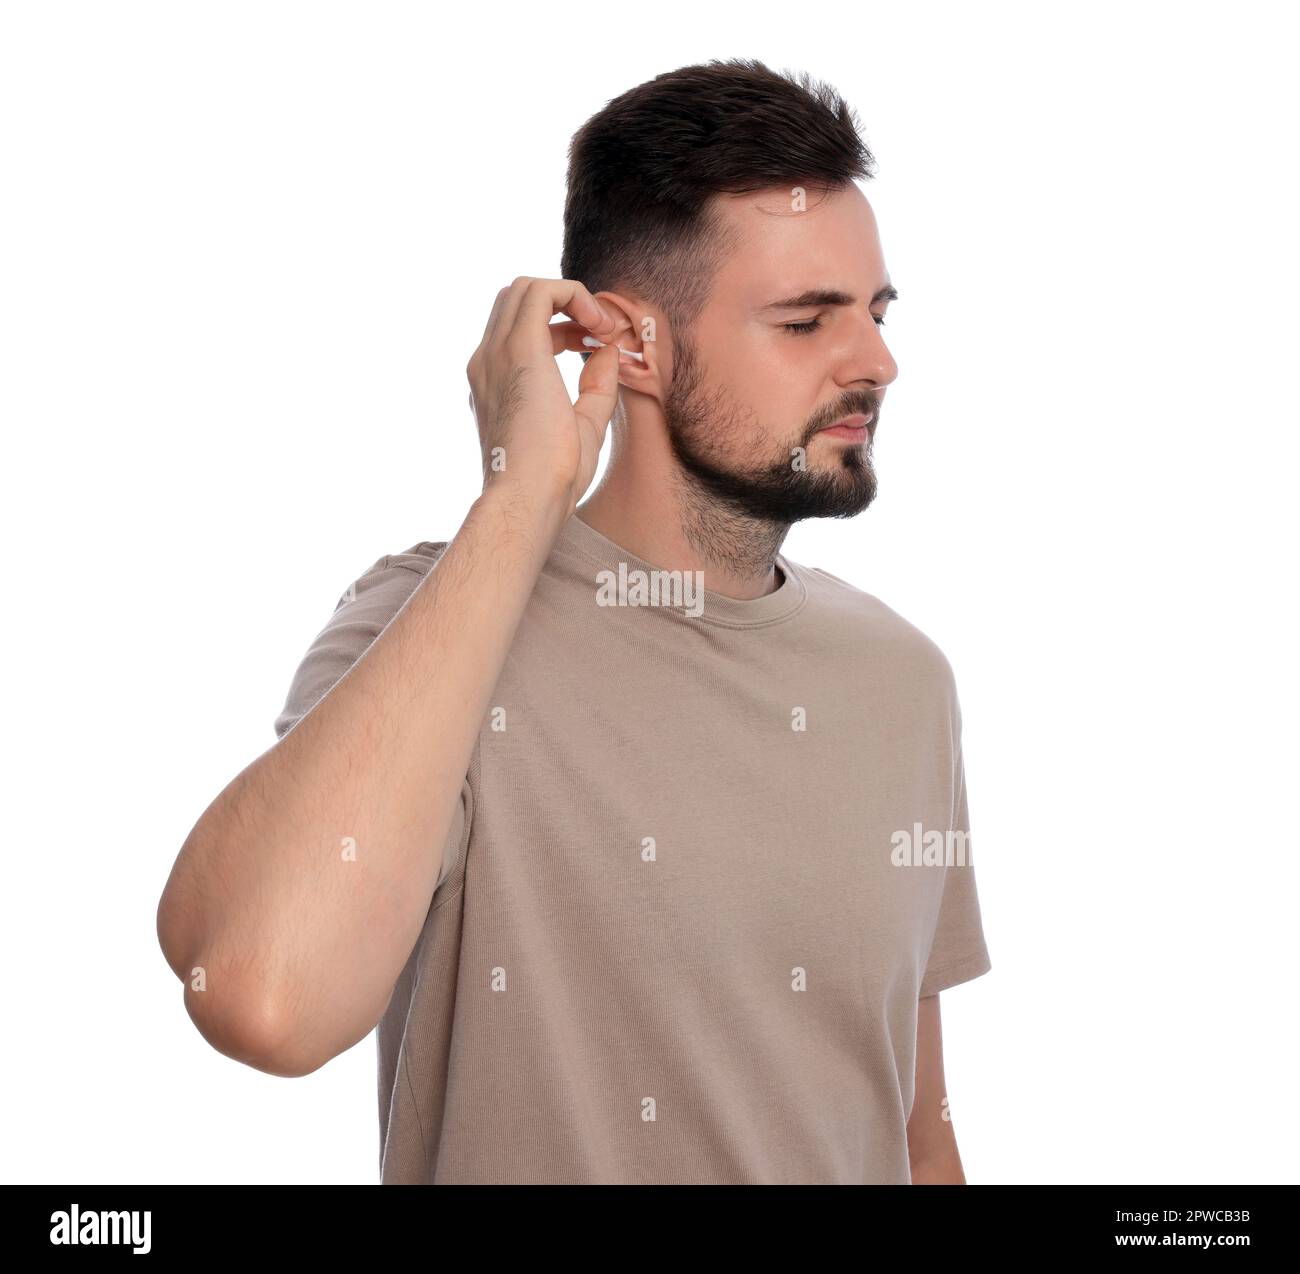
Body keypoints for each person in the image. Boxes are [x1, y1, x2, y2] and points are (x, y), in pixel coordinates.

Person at [157, 57, 992, 1185]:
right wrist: (519, 497)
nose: (878, 363)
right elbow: (263, 994)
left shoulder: (904, 681)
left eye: (876, 314)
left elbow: (916, 1128)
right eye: (807, 322)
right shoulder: (437, 621)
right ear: (632, 347)